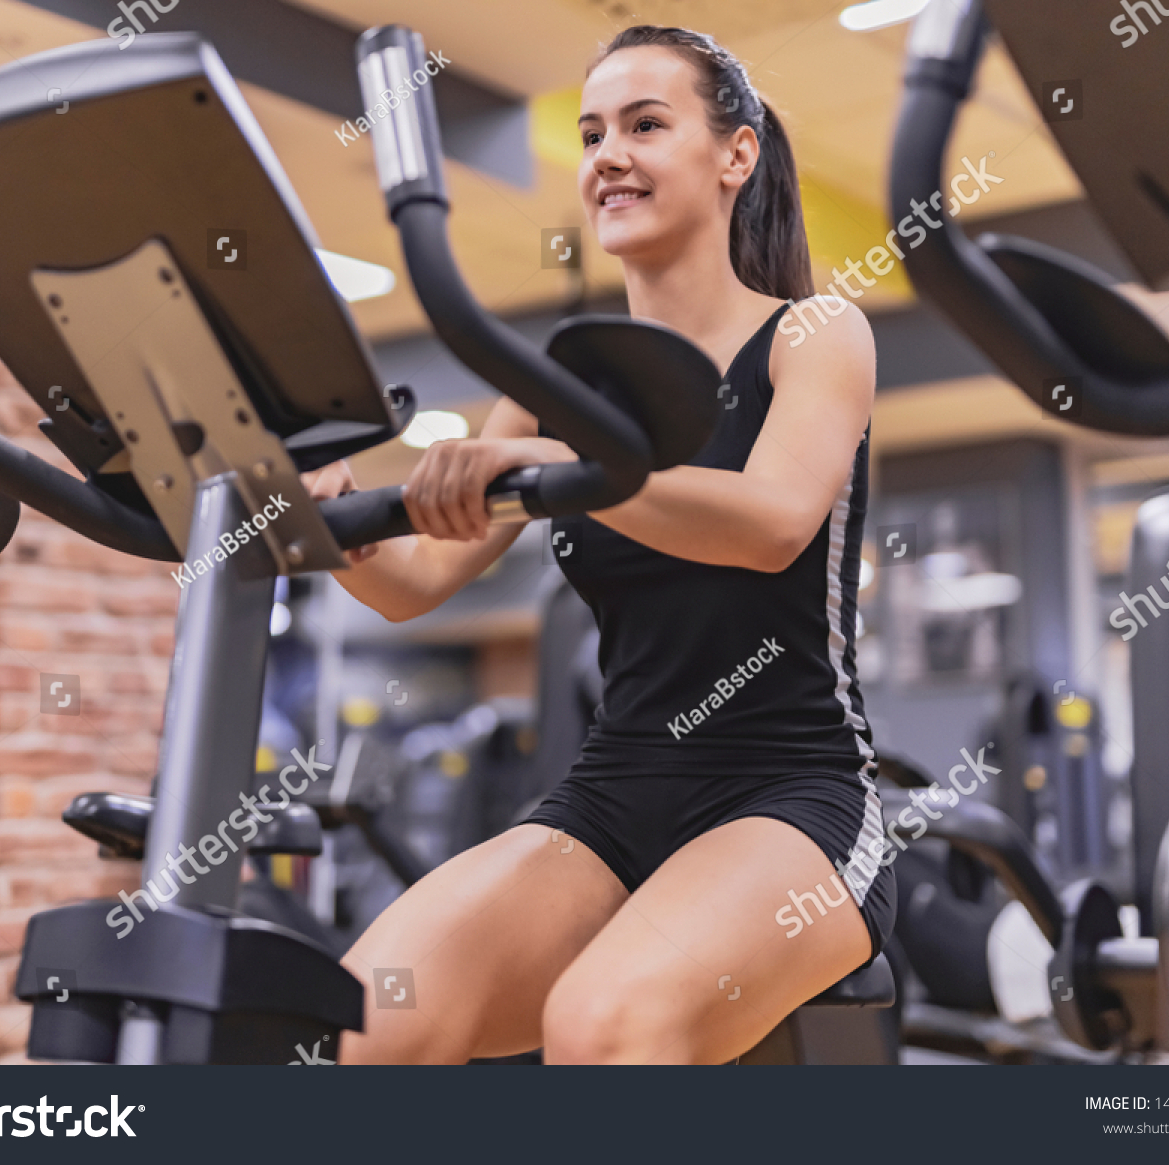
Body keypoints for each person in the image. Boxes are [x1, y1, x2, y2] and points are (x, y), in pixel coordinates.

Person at [303, 24, 893, 1064]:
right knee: (361, 1020)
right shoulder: (547, 394)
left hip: (793, 791)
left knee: (601, 1025)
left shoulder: (814, 333)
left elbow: (770, 524)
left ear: (735, 155)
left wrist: (555, 470)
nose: (607, 154)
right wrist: (322, 500)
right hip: (617, 790)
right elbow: (414, 580)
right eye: (590, 134)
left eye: (645, 124)